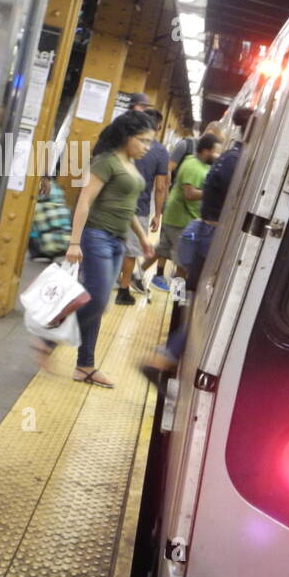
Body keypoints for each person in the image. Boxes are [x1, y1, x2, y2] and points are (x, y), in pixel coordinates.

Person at [38, 110, 156, 388]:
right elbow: (84, 201)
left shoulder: (128, 162)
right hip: (96, 236)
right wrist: (75, 242)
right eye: (143, 141)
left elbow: (126, 207)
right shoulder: (105, 162)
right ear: (126, 137)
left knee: (95, 300)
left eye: (150, 142)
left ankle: (85, 366)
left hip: (117, 240)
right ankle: (46, 340)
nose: (147, 148)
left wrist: (142, 238)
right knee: (99, 301)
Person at [142, 108, 252, 380]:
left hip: (196, 229)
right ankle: (165, 357)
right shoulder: (225, 162)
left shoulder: (224, 158)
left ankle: (168, 347)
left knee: (189, 293)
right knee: (193, 297)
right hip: (197, 231)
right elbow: (195, 195)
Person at [152, 133, 218, 291]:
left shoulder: (198, 163)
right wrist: (210, 192)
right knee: (182, 261)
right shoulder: (194, 166)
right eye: (216, 151)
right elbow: (189, 194)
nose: (218, 155)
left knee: (161, 249)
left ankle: (138, 276)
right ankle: (178, 298)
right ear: (206, 150)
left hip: (177, 216)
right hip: (182, 218)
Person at [115, 106, 168, 303]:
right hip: (140, 208)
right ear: (159, 127)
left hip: (114, 203)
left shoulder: (124, 140)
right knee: (131, 251)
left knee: (110, 242)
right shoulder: (161, 152)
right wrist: (158, 214)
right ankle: (123, 290)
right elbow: (161, 187)